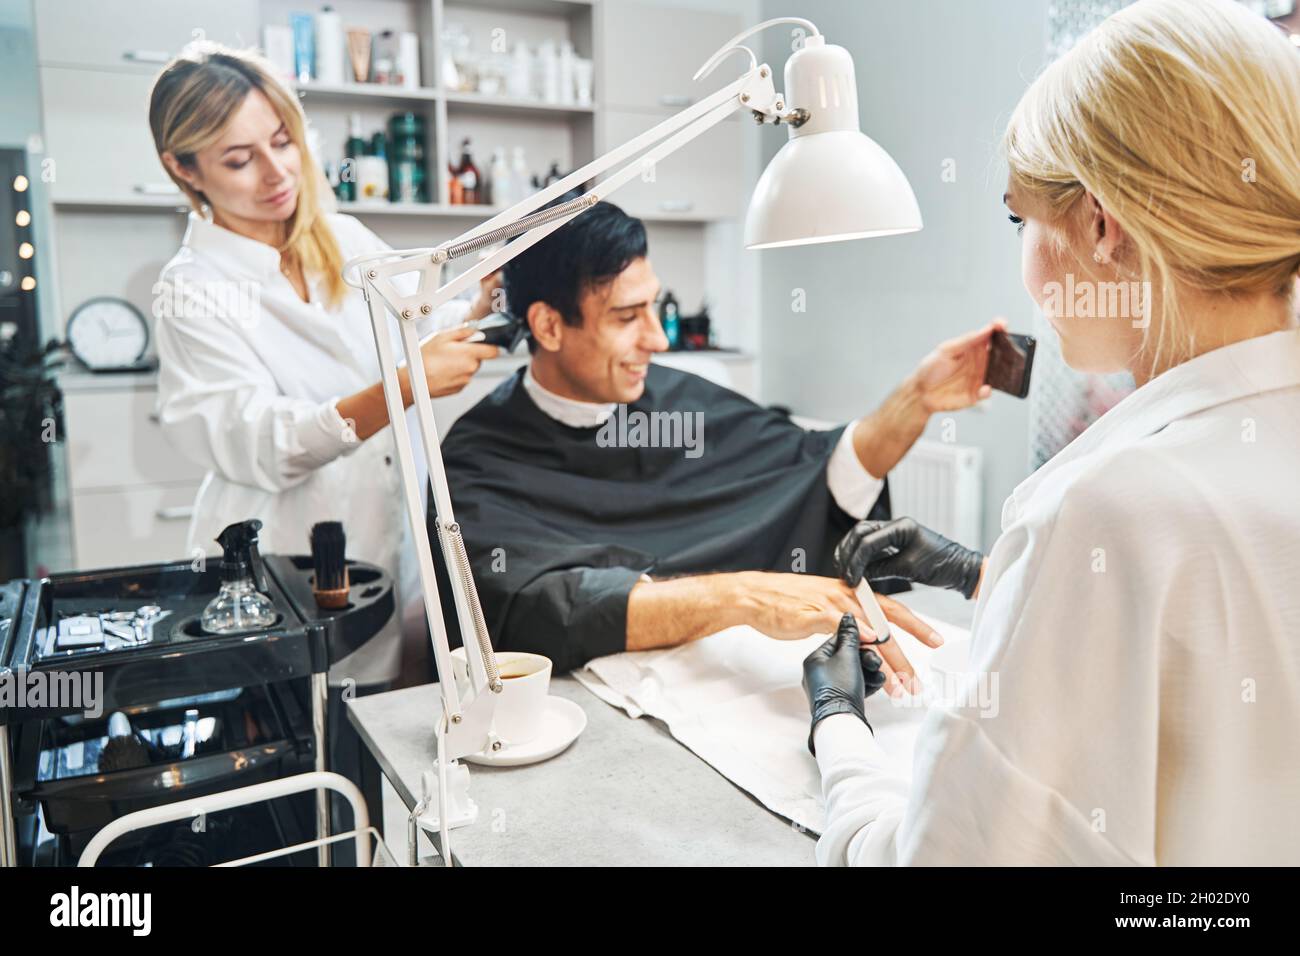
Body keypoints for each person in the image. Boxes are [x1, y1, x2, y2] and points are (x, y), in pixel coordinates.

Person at [802, 0, 1300, 865]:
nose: (1023, 258)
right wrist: (984, 575)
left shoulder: (1108, 509)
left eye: (1017, 219)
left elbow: (934, 858)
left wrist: (840, 729)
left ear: (1102, 227)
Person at [436, 198, 1003, 685]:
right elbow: (533, 608)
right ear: (549, 325)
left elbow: (813, 470)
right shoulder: (479, 459)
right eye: (627, 317)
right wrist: (745, 597)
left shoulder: (682, 402)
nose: (657, 339)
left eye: (653, 306)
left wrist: (916, 400)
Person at [148, 43, 499, 689]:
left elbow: (423, 327)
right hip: (280, 558)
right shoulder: (191, 287)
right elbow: (262, 441)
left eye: (282, 141)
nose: (276, 171)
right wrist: (397, 389)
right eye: (238, 159)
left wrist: (486, 300)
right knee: (306, 734)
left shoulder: (342, 239)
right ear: (183, 167)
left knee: (385, 728)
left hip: (389, 536)